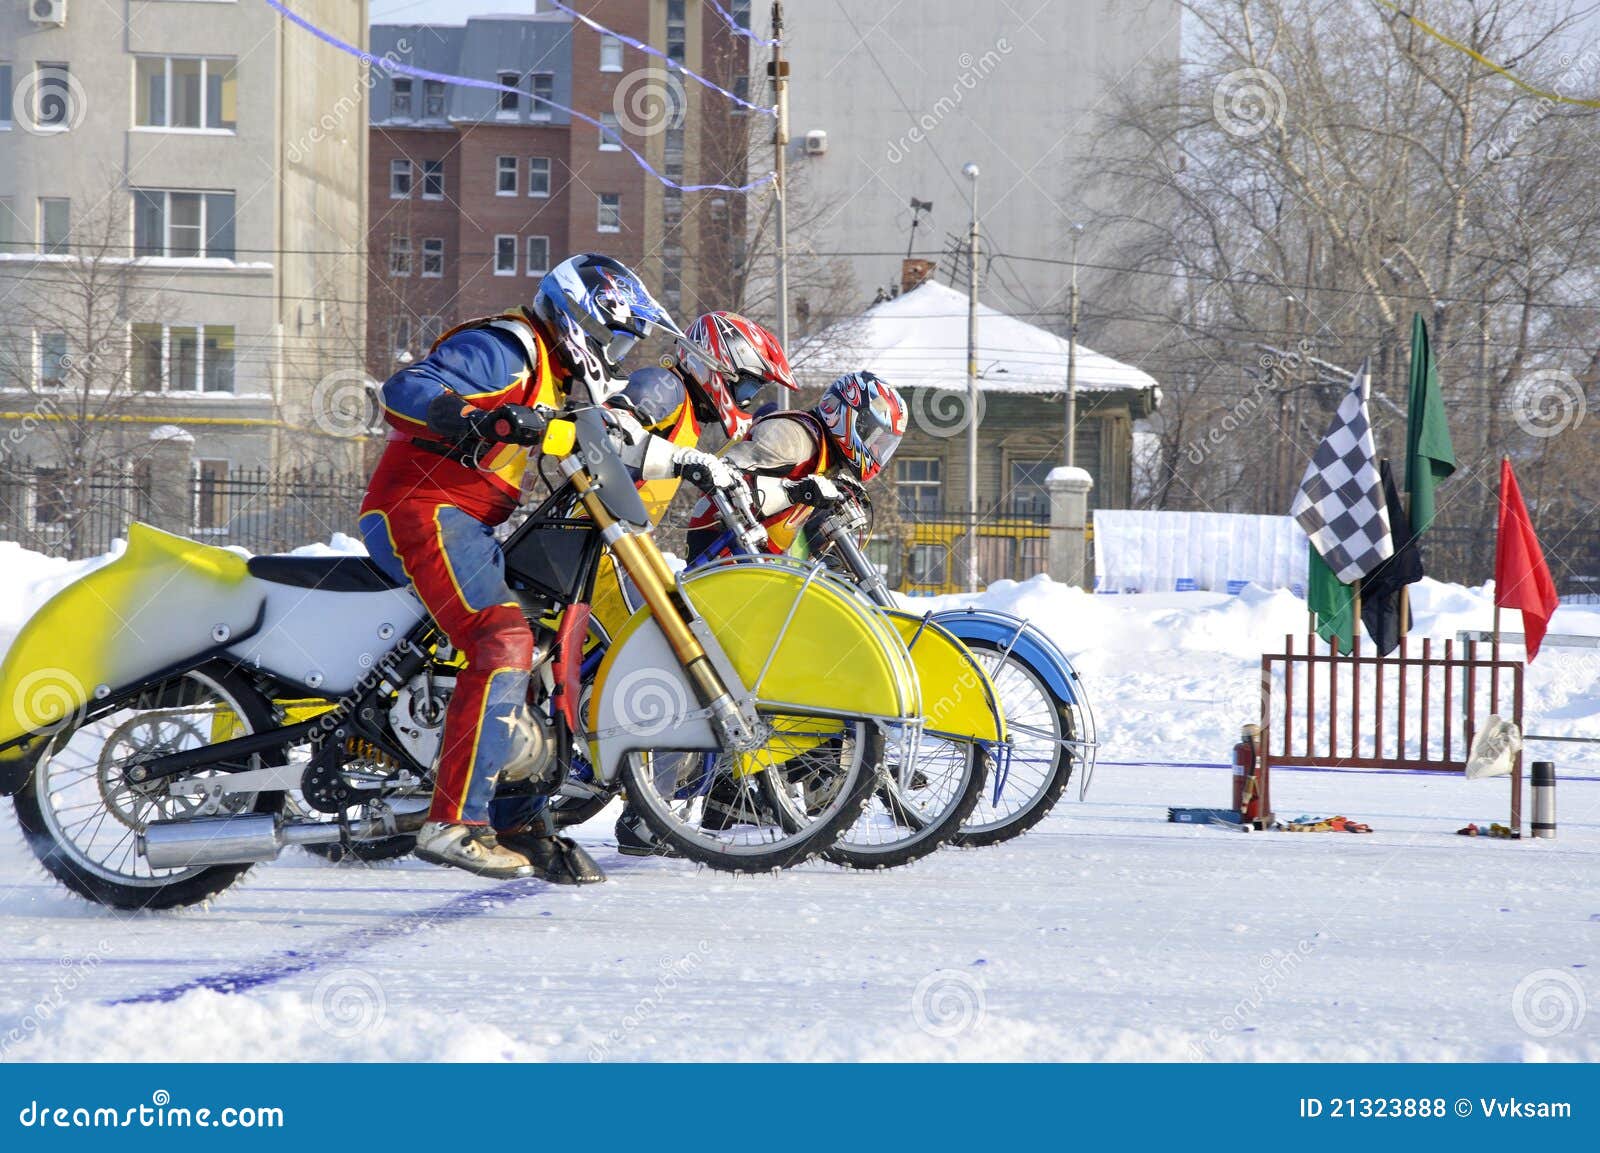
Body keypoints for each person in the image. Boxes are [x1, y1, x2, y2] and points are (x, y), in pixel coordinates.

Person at [358, 254, 738, 881]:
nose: (615, 353)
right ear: (578, 317)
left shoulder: (558, 376)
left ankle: (522, 821)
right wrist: (475, 416)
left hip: (468, 522)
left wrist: (684, 462)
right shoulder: (508, 348)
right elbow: (406, 389)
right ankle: (453, 823)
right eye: (612, 336)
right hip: (422, 509)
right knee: (501, 639)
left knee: (543, 652)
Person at [614, 368, 909, 857]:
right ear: (845, 415)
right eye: (872, 434)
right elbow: (729, 482)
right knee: (712, 680)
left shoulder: (827, 457)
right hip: (725, 565)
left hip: (759, 575)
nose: (875, 450)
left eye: (884, 443)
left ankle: (734, 794)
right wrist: (800, 491)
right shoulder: (792, 435)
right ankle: (649, 813)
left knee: (784, 670)